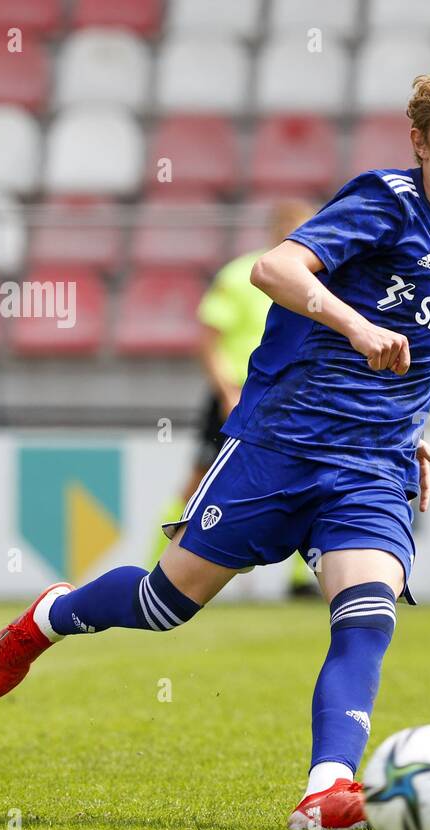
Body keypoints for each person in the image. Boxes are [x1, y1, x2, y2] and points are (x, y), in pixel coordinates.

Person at [0, 50, 430, 830]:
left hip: (372, 464)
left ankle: (323, 792)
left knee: (366, 615)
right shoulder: (384, 202)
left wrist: (413, 429)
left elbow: (424, 354)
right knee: (164, 605)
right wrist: (356, 322)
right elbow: (276, 267)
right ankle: (50, 617)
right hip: (282, 442)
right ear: (420, 139)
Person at [152, 199, 318, 597]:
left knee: (307, 480)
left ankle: (299, 582)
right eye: (291, 228)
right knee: (196, 483)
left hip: (293, 396)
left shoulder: (318, 279)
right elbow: (208, 341)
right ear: (274, 230)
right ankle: (153, 570)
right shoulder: (241, 274)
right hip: (239, 394)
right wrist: (225, 390)